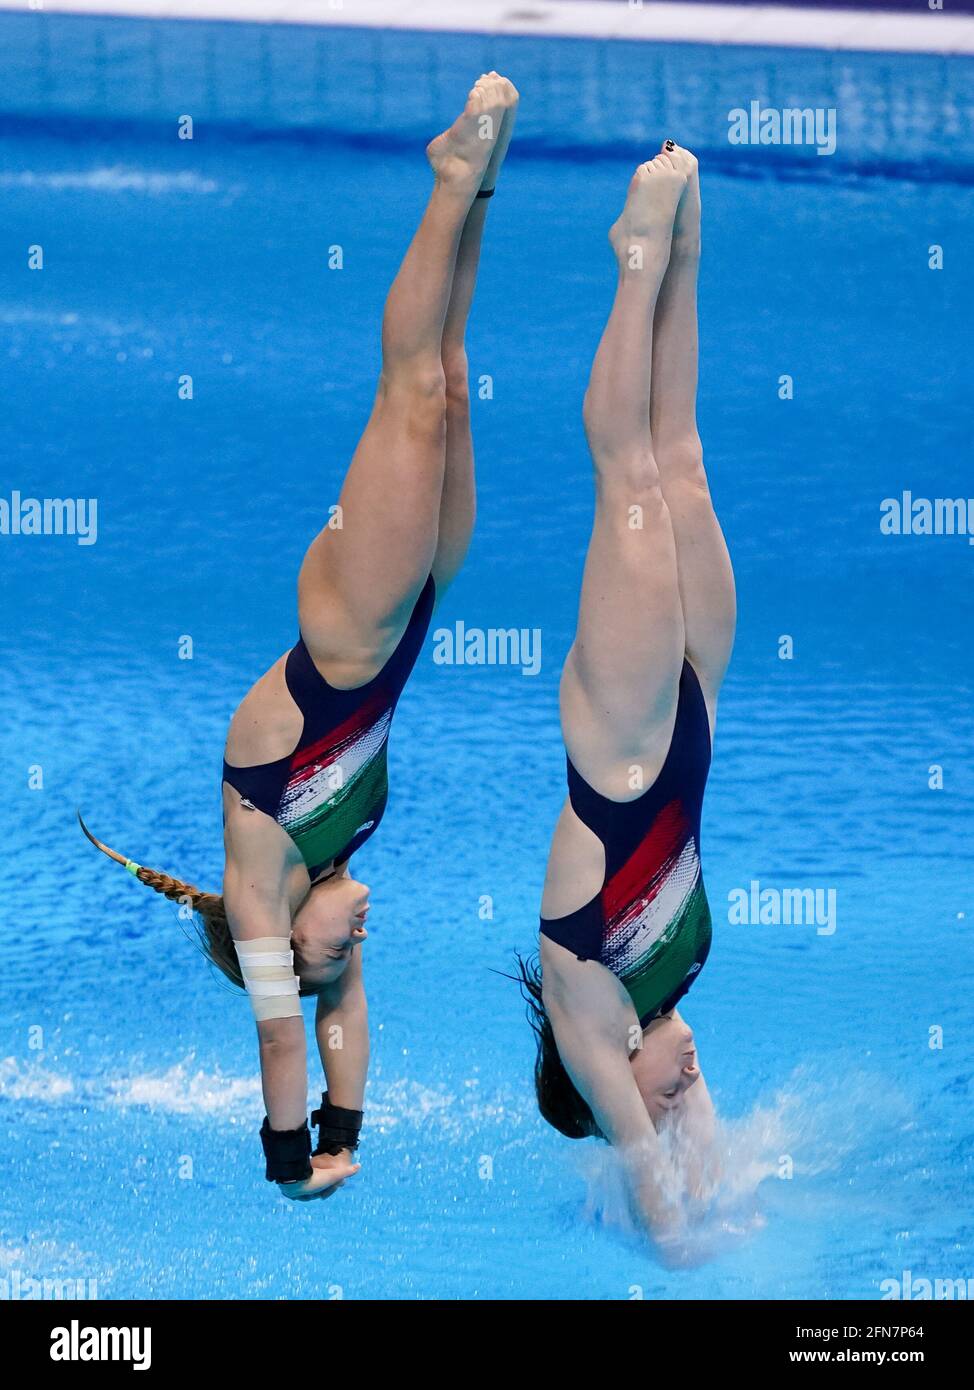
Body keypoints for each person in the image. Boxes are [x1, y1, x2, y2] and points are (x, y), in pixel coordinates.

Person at [81, 73, 520, 1200]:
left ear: (280, 946)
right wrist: (351, 1129)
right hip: (405, 621)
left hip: (344, 628)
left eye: (331, 953)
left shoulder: (264, 885)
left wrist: (293, 1161)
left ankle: (446, 179)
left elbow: (283, 1040)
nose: (356, 934)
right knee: (453, 386)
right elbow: (344, 1022)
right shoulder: (332, 874)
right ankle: (476, 201)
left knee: (408, 396)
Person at [518, 142, 736, 1242]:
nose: (681, 1075)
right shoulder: (659, 1007)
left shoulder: (592, 1026)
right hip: (692, 704)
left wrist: (687, 1241)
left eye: (655, 1098)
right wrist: (731, 1203)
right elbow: (702, 1138)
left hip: (621, 736)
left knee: (627, 472)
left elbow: (659, 1199)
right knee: (680, 457)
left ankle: (634, 256)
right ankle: (685, 249)